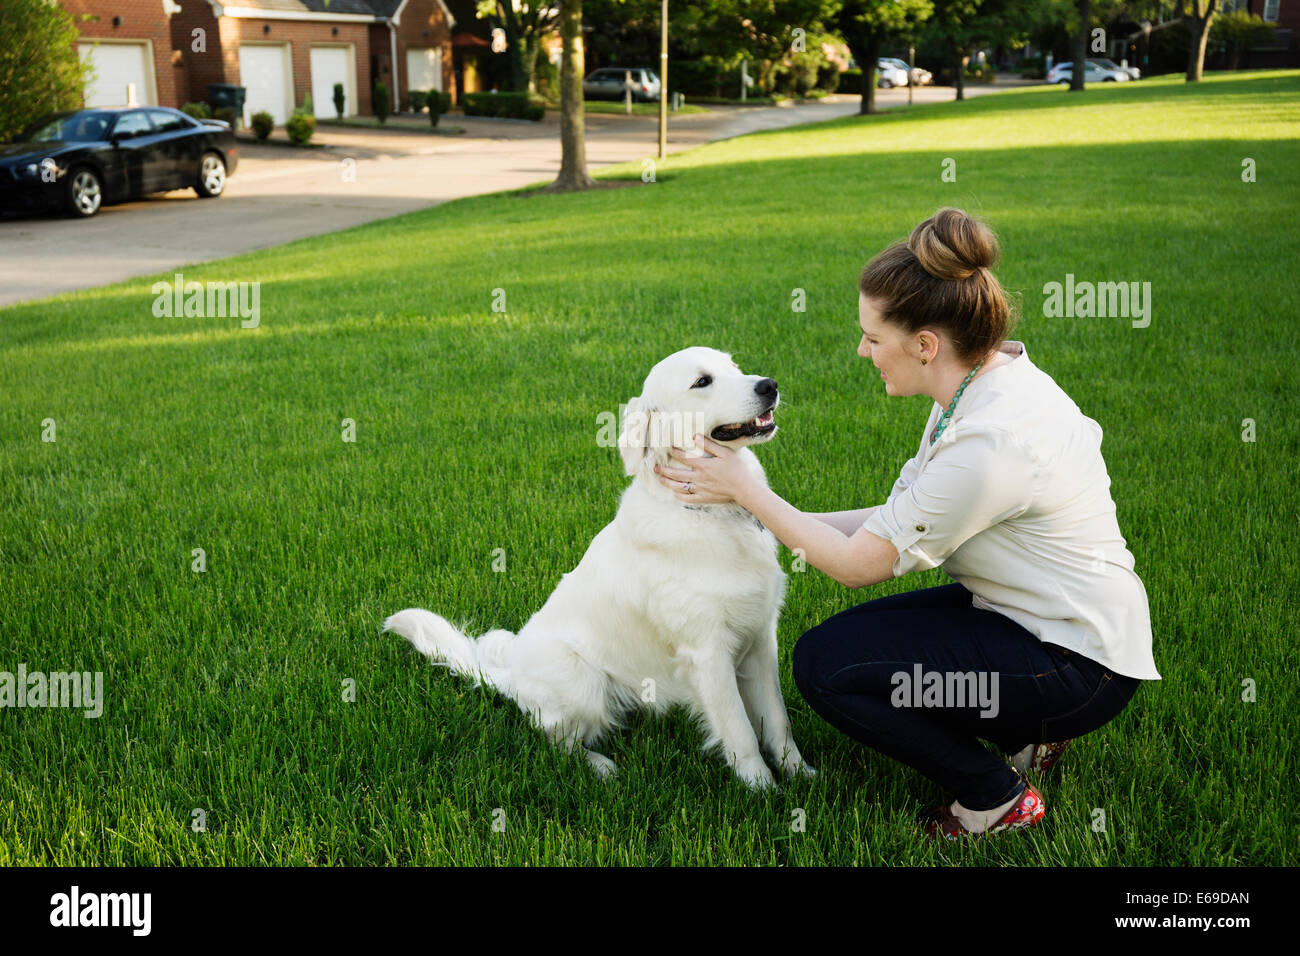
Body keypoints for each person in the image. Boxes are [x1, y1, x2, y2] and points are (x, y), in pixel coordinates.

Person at [653, 207, 1160, 840]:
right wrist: (761, 517)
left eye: (871, 335)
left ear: (925, 345)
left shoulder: (989, 445)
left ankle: (996, 795)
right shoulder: (979, 382)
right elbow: (892, 521)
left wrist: (749, 496)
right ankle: (1029, 733)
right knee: (846, 643)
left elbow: (858, 565)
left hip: (1077, 664)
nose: (861, 349)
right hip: (1032, 616)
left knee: (826, 669)